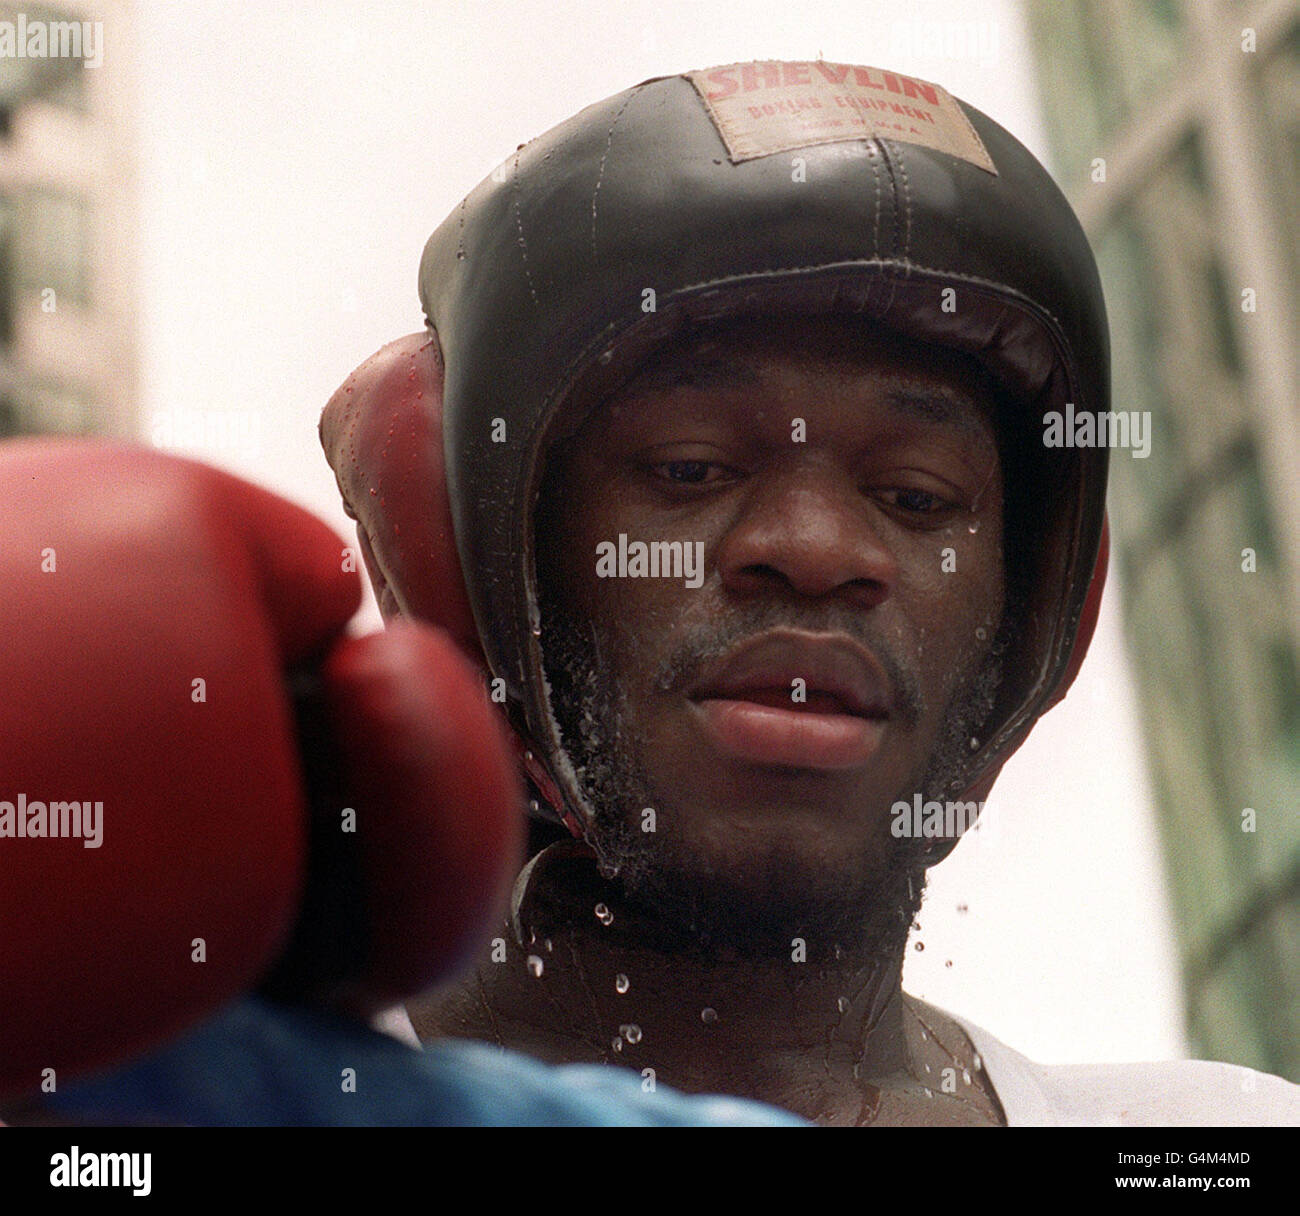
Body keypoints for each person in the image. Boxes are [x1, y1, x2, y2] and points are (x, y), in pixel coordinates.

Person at [317, 58, 1300, 1125]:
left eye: (917, 495)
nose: (816, 547)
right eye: (689, 468)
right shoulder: (212, 1096)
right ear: (478, 570)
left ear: (1030, 622)